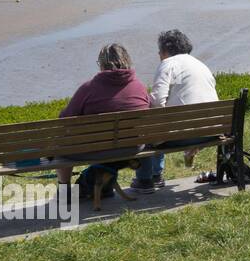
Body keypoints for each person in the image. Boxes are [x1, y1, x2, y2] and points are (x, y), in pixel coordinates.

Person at [132, 29, 219, 193]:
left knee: (147, 125)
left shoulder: (167, 64)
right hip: (212, 130)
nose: (159, 55)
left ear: (165, 51)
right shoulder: (201, 64)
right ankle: (155, 176)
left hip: (183, 135)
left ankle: (147, 179)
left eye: (159, 51)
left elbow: (157, 103)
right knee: (159, 122)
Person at [54, 44, 151, 185]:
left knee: (61, 147)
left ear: (102, 64)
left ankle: (65, 192)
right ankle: (143, 181)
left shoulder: (88, 88)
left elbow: (64, 120)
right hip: (132, 148)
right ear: (127, 61)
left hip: (95, 150)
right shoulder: (139, 87)